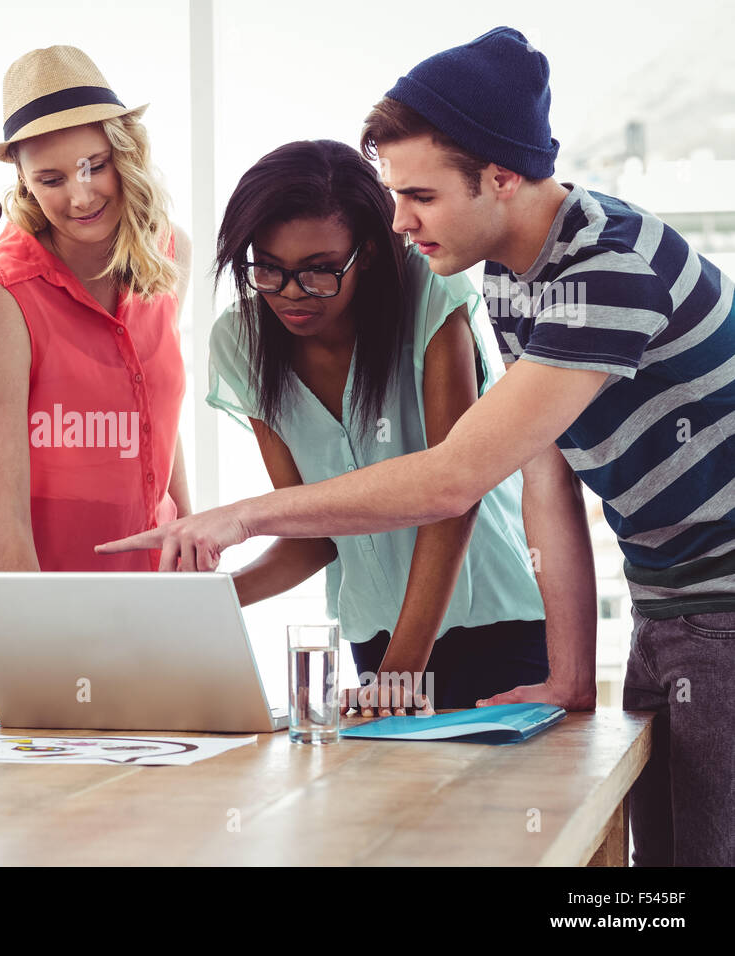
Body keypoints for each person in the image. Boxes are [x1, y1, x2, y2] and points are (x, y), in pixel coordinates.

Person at [99, 26, 734, 866]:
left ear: (500, 178)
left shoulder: (602, 273)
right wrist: (571, 673)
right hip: (668, 604)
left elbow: (455, 480)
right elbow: (545, 477)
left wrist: (240, 517)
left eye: (421, 197)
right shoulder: (518, 278)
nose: (398, 220)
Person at [209, 139, 548, 714]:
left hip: (497, 627)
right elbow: (313, 532)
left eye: (319, 271)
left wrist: (402, 672)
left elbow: (453, 496)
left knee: (500, 805)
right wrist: (206, 602)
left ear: (365, 252)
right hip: (377, 641)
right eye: (267, 268)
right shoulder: (240, 343)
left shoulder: (430, 295)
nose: (291, 294)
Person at [0, 45, 192, 573]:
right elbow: (2, 515)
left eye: (95, 166)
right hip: (46, 606)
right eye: (52, 179)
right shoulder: (1, 295)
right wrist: (34, 645)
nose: (81, 195)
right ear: (24, 181)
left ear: (125, 154)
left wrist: (191, 558)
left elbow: (160, 421)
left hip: (155, 594)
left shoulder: (170, 250)